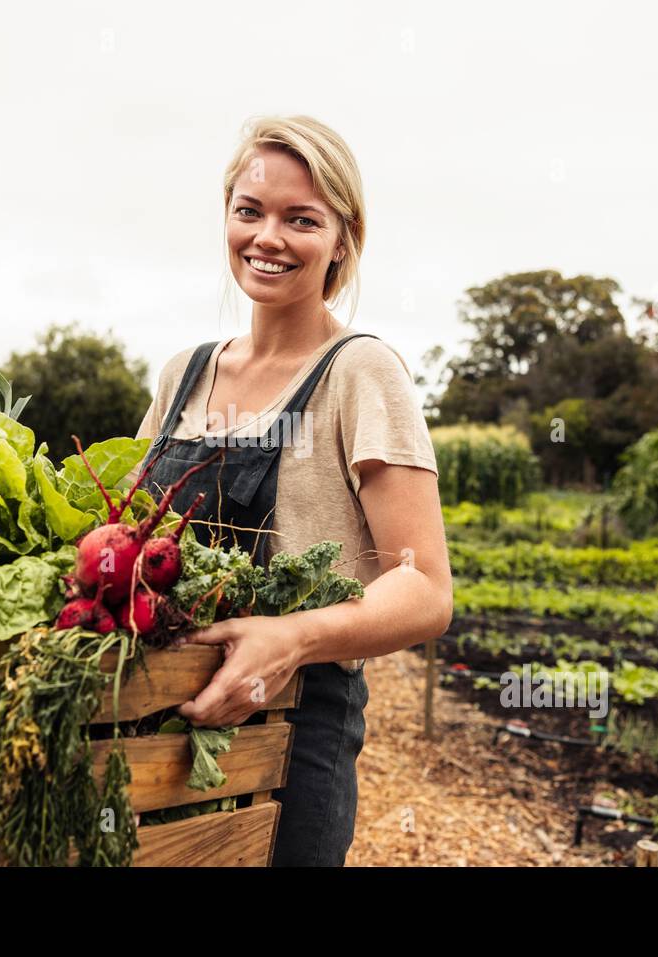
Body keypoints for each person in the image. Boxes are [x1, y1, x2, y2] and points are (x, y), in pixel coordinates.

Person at [134, 115, 452, 866]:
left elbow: (426, 587)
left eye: (300, 219)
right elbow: (124, 540)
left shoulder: (359, 372)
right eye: (250, 211)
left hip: (289, 734)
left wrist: (292, 635)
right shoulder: (183, 372)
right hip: (156, 723)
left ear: (342, 238)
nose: (268, 237)